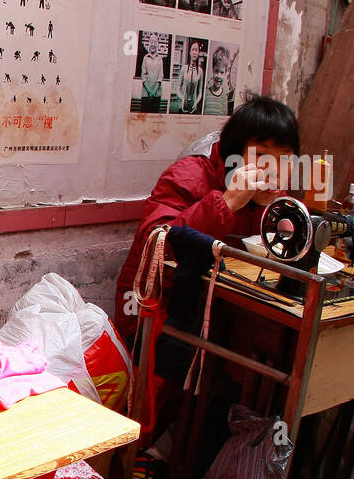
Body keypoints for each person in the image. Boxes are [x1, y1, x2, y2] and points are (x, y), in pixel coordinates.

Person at [113, 95, 300, 347]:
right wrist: (227, 203)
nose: (274, 170)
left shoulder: (276, 198)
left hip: (223, 314)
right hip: (158, 315)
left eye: (285, 158)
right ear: (234, 155)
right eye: (262, 155)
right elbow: (155, 245)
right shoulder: (188, 176)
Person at [202, 47, 233, 117]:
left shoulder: (224, 96)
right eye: (216, 71)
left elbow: (224, 115)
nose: (218, 76)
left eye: (222, 72)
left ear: (225, 73)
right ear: (213, 70)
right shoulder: (206, 93)